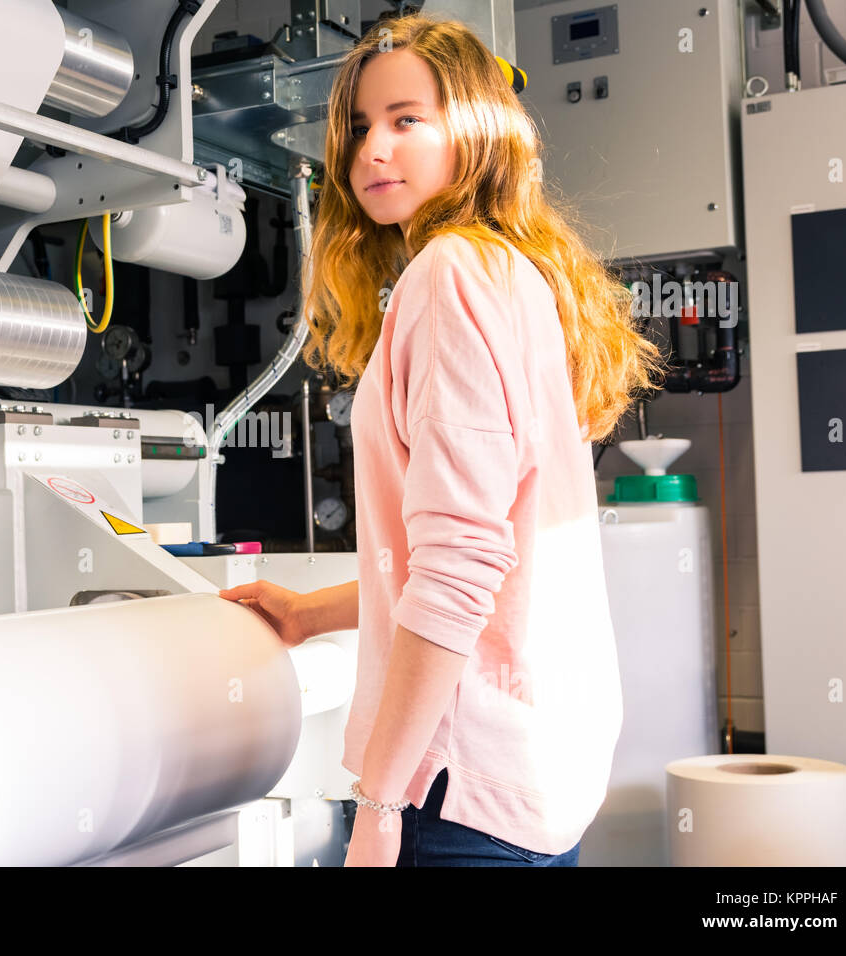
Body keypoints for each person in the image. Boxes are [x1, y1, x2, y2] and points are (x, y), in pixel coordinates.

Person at [219, 13, 663, 867]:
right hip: (532, 788)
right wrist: (311, 614)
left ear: (476, 131)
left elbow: (459, 567)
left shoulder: (446, 274)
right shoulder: (516, 275)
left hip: (451, 795)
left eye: (405, 120)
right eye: (357, 127)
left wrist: (381, 805)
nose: (370, 151)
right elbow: (483, 552)